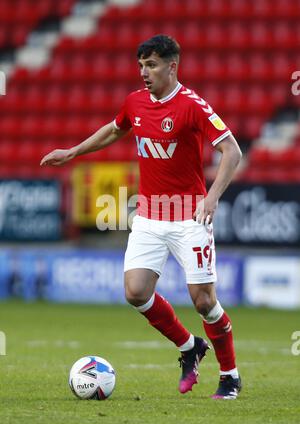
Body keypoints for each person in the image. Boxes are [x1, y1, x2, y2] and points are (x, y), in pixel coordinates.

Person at [40, 35, 242, 399]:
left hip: (189, 217)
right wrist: (73, 152)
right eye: (141, 66)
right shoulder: (135, 102)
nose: (144, 73)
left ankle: (230, 375)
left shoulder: (192, 106)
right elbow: (114, 130)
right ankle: (189, 347)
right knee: (135, 292)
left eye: (151, 65)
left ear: (172, 66)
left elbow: (232, 150)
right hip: (150, 214)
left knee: (204, 301)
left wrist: (212, 197)